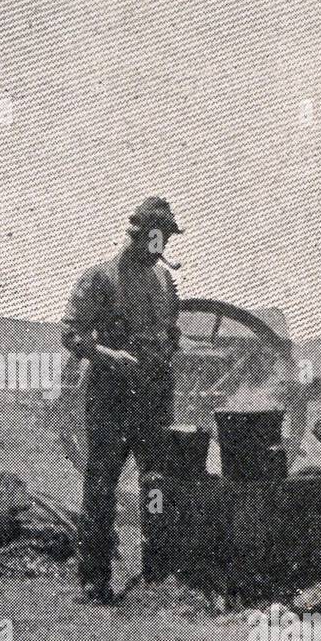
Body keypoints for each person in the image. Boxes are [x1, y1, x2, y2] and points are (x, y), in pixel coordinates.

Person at [61, 197, 182, 605]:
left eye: (165, 239)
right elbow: (72, 335)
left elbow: (172, 336)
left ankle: (158, 576)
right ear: (140, 235)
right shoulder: (99, 279)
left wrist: (163, 361)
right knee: (101, 489)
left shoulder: (165, 283)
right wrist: (109, 356)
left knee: (156, 488)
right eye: (158, 237)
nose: (162, 246)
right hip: (110, 400)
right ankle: (94, 582)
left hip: (152, 402)